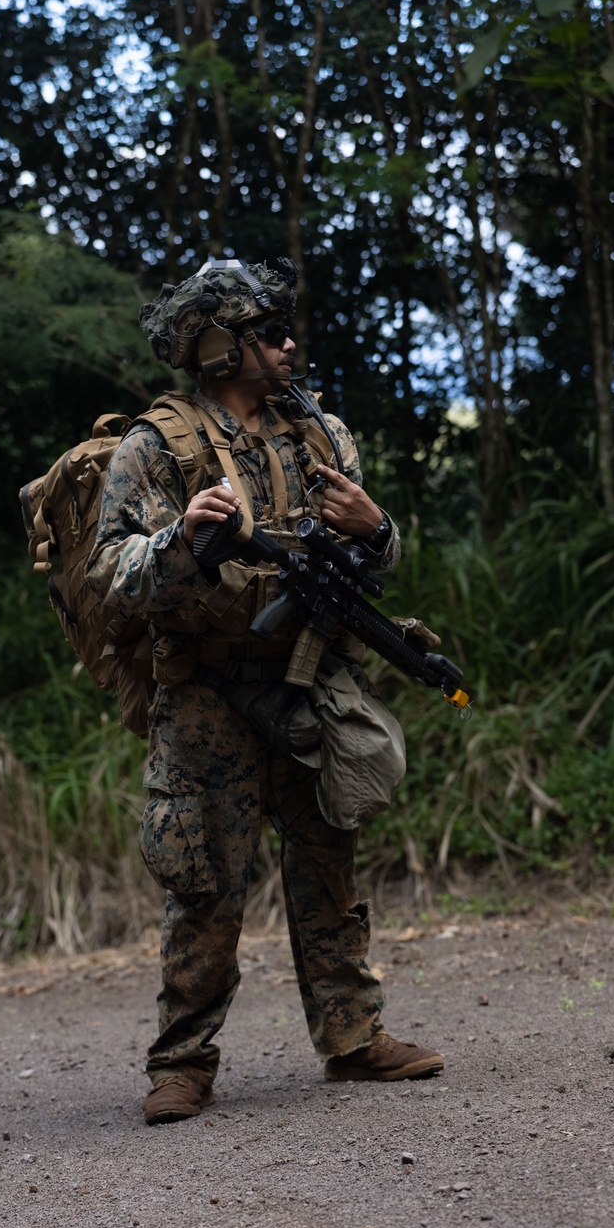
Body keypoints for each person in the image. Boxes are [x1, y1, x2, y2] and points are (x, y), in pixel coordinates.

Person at [86, 256, 444, 1125]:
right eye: (269, 332)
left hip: (308, 676)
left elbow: (370, 558)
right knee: (204, 877)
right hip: (206, 692)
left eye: (287, 329)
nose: (290, 344)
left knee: (328, 859)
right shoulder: (156, 445)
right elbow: (108, 571)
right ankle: (181, 1062)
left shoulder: (318, 433)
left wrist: (378, 530)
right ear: (217, 345)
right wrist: (181, 539)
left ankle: (353, 1036)